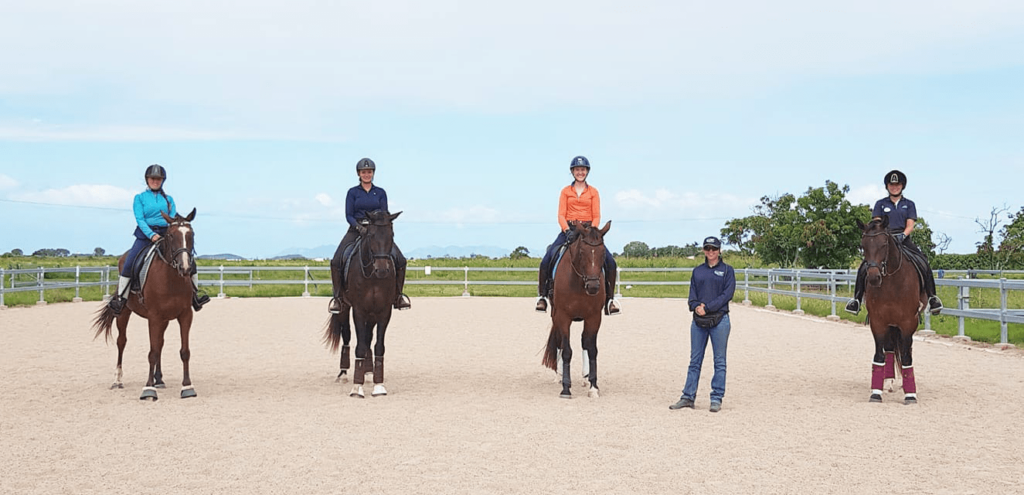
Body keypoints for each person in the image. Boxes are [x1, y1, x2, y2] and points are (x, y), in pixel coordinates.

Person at [108, 164, 209, 315]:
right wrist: (151, 235)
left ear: (162, 181)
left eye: (158, 179)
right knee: (129, 262)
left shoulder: (169, 199)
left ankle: (195, 296)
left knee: (189, 261)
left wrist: (169, 232)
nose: (155, 181)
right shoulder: (139, 198)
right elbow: (140, 219)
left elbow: (172, 218)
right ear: (147, 180)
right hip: (145, 235)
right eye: (152, 179)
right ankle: (121, 298)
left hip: (166, 234)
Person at [845, 170, 943, 316]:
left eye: (897, 185)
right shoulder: (880, 204)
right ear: (887, 186)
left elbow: (910, 225)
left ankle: (932, 297)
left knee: (923, 261)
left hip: (903, 238)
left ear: (902, 186)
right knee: (865, 265)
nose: (894, 187)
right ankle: (856, 300)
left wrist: (902, 235)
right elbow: (877, 224)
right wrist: (884, 237)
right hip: (884, 239)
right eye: (891, 185)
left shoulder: (909, 204)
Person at [535, 156, 620, 315]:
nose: (580, 172)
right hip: (569, 228)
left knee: (610, 261)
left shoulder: (593, 192)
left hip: (588, 230)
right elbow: (561, 214)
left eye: (583, 169)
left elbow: (596, 215)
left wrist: (591, 231)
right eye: (577, 170)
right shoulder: (566, 191)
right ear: (572, 172)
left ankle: (609, 300)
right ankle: (543, 297)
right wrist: (566, 229)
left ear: (587, 171)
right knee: (547, 259)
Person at [328, 158, 411, 314]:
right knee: (336, 260)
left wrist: (379, 227)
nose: (367, 174)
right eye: (364, 172)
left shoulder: (380, 192)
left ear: (373, 173)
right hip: (356, 229)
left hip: (377, 232)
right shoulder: (353, 192)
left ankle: (398, 296)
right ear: (359, 174)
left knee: (401, 260)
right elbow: (349, 215)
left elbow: (384, 213)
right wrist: (359, 227)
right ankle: (338, 299)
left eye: (369, 172)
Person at [669, 236, 735, 413]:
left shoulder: (727, 271)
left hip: (719, 320)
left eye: (714, 248)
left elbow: (727, 295)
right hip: (699, 321)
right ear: (704, 251)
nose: (711, 252)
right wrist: (696, 306)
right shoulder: (697, 271)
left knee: (719, 361)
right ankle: (688, 396)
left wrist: (708, 308)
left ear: (719, 250)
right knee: (695, 360)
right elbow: (692, 294)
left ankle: (716, 398)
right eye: (707, 248)